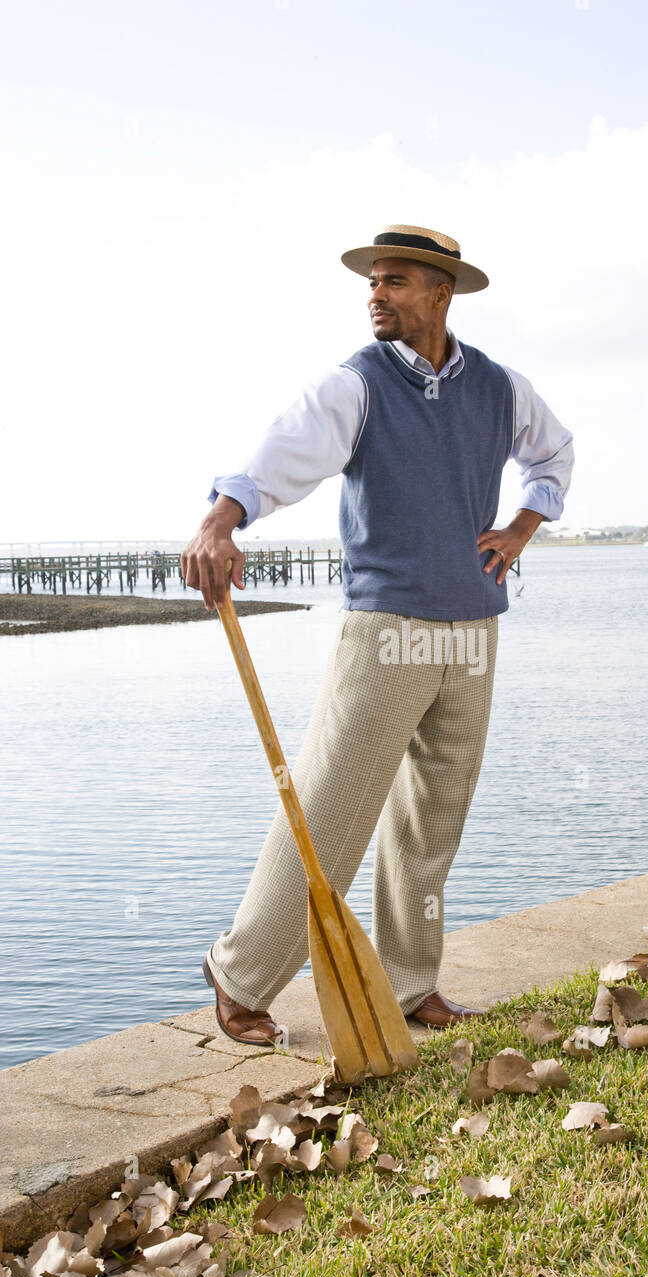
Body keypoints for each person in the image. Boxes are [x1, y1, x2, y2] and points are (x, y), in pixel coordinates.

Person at [181, 223, 573, 1043]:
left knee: (433, 821)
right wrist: (223, 518)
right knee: (329, 810)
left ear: (442, 291)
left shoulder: (500, 389)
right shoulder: (356, 385)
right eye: (373, 282)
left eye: (395, 281)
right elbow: (279, 458)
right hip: (387, 627)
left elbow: (556, 455)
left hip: (473, 627)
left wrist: (521, 529)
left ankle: (409, 983)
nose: (376, 294)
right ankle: (241, 973)